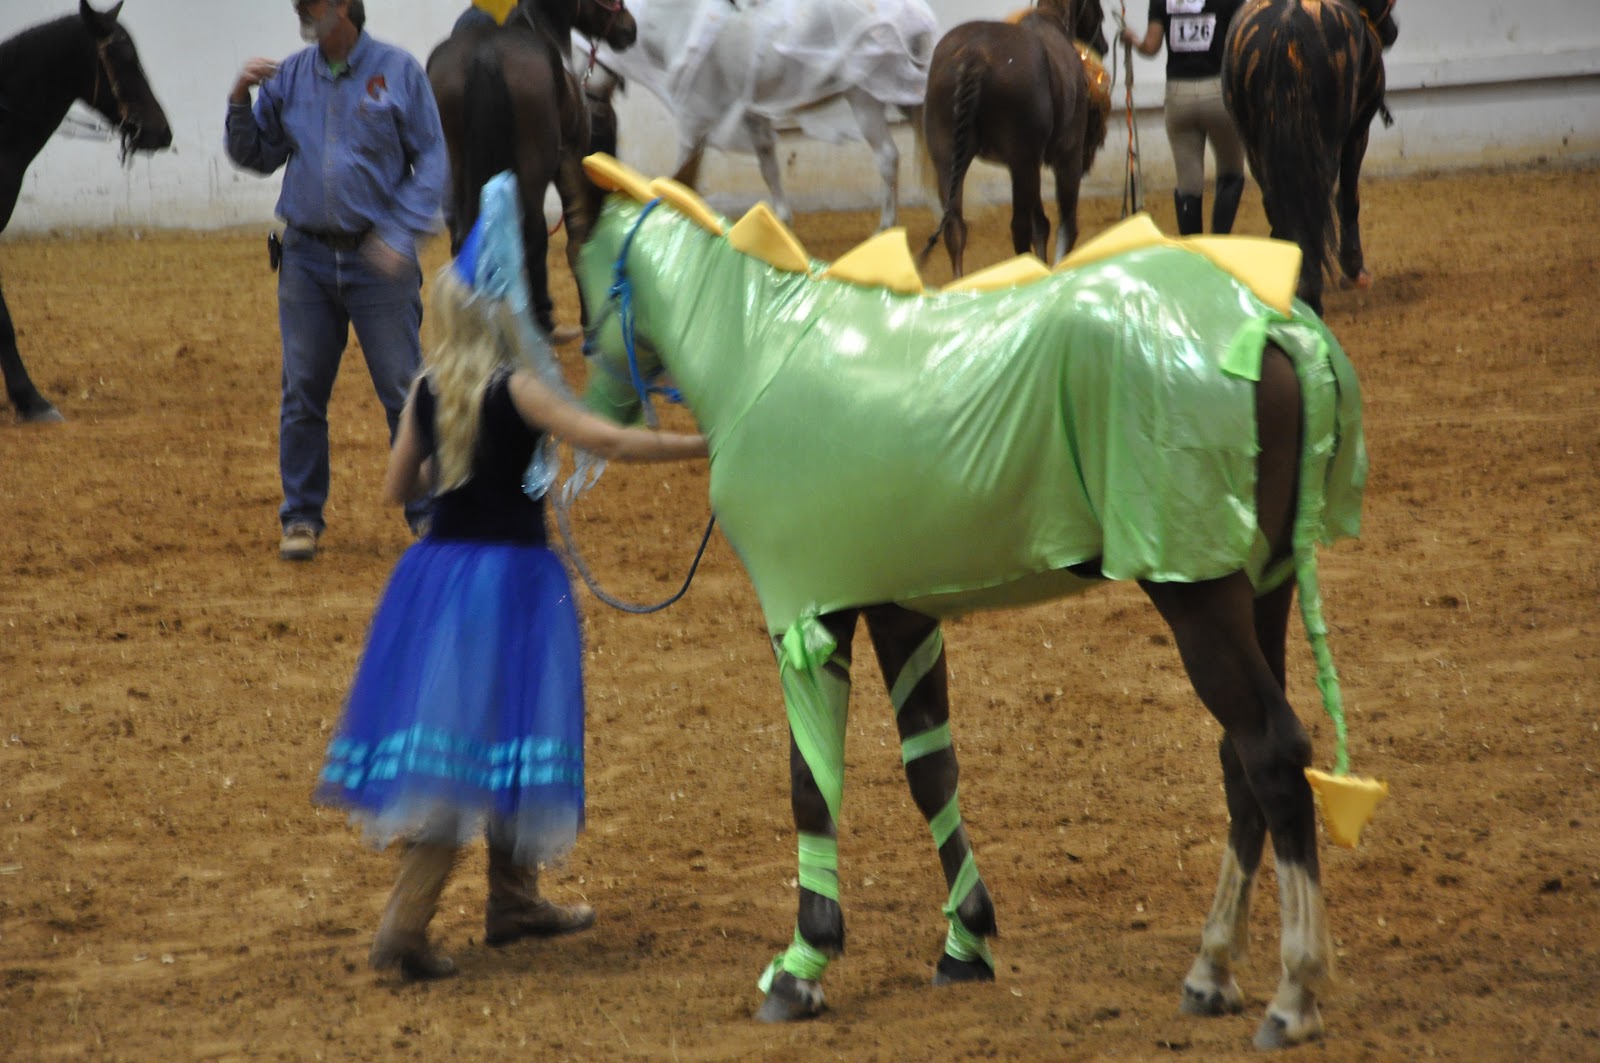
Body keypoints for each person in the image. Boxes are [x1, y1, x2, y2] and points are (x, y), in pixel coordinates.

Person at [312, 201, 709, 981]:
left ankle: (515, 899)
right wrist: (704, 442)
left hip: (439, 576)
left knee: (483, 732)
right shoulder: (519, 389)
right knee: (489, 739)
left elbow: (399, 488)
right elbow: (606, 437)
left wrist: (456, 463)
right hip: (511, 580)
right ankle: (403, 926)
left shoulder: (430, 387)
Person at [225, 0, 450, 561]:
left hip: (378, 259)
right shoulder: (290, 77)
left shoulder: (398, 72)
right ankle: (301, 515)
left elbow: (434, 161)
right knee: (302, 391)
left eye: (314, 2)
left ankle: (431, 513)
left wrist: (400, 233)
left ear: (345, 6)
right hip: (307, 258)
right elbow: (255, 154)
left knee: (404, 390)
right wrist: (239, 98)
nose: (302, 8)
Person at [1121, 0, 1247, 236]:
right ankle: (1218, 240)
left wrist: (1133, 40)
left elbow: (1151, 47)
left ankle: (1191, 247)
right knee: (1231, 173)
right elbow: (1243, 39)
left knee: (1188, 184)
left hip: (1178, 97)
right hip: (1218, 93)